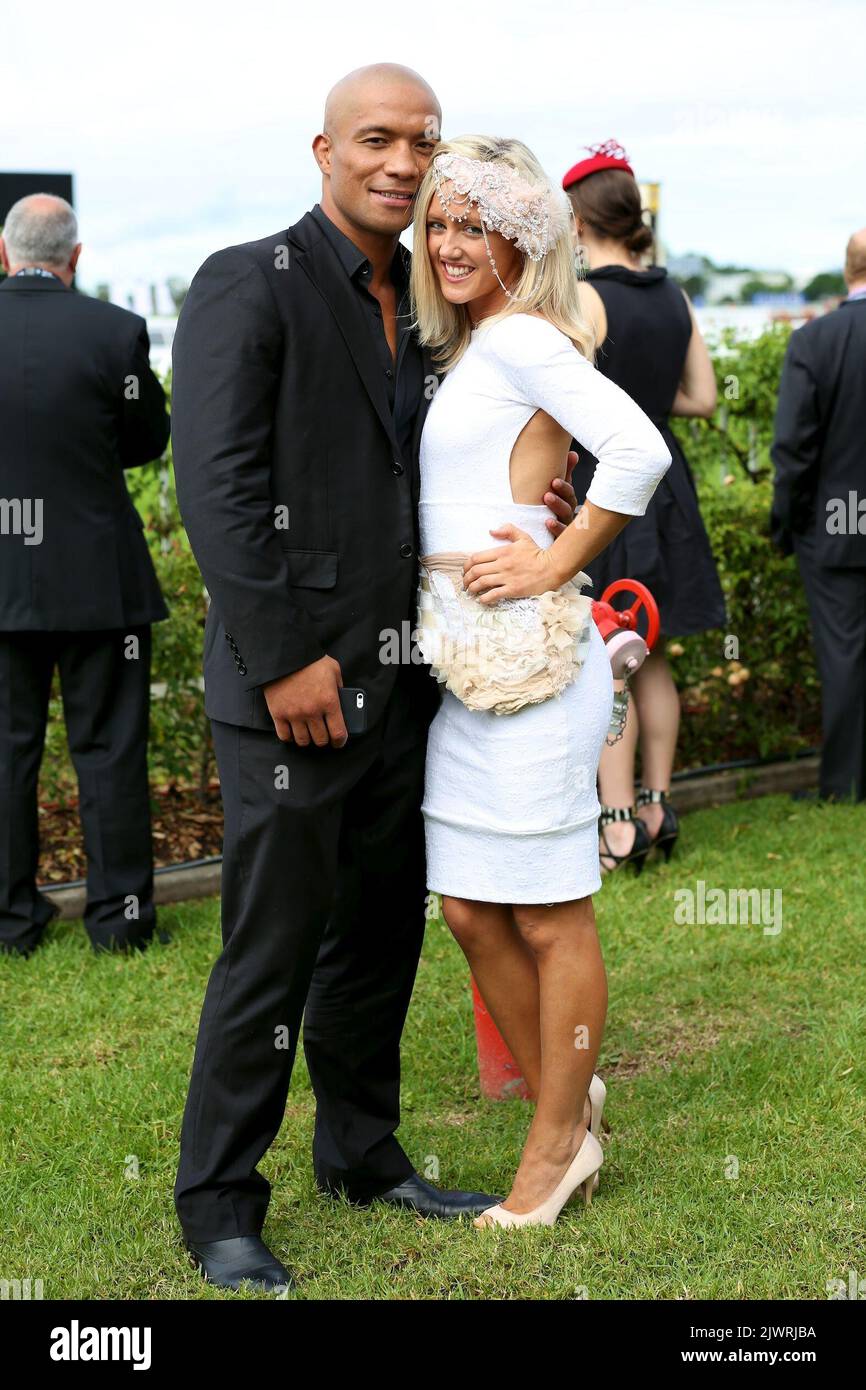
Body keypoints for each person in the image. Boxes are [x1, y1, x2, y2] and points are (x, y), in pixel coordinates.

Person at [170, 65, 580, 1292]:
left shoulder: (421, 299)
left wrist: (535, 499)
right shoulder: (250, 281)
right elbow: (220, 491)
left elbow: (434, 469)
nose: (402, 163)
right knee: (271, 951)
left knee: (374, 944)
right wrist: (285, 658)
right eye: (377, 140)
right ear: (324, 149)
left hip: (410, 683)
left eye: (423, 143)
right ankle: (219, 1202)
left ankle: (359, 1152)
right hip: (290, 687)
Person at [410, 136, 671, 1227]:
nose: (451, 243)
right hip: (461, 656)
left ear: (526, 235)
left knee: (551, 915)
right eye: (439, 222)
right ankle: (574, 1093)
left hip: (527, 658)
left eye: (477, 223)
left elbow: (639, 449)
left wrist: (555, 558)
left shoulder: (520, 337)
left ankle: (555, 1143)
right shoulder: (472, 346)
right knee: (469, 909)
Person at [0, 194, 169, 956]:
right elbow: (145, 439)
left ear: (4, 253)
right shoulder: (116, 331)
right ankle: (121, 921)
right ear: (75, 258)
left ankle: (10, 923)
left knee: (6, 753)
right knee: (109, 750)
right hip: (101, 577)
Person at [563, 141, 725, 874]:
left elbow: (562, 406)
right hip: (670, 487)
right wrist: (651, 401)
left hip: (609, 487)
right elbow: (703, 398)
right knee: (651, 656)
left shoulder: (586, 299)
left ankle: (618, 825)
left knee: (608, 659)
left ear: (576, 220)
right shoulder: (676, 295)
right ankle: (659, 806)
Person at [771, 228, 866, 802]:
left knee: (844, 652)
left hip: (837, 522)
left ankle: (845, 783)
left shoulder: (815, 340)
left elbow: (794, 449)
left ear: (848, 268)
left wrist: (787, 523)